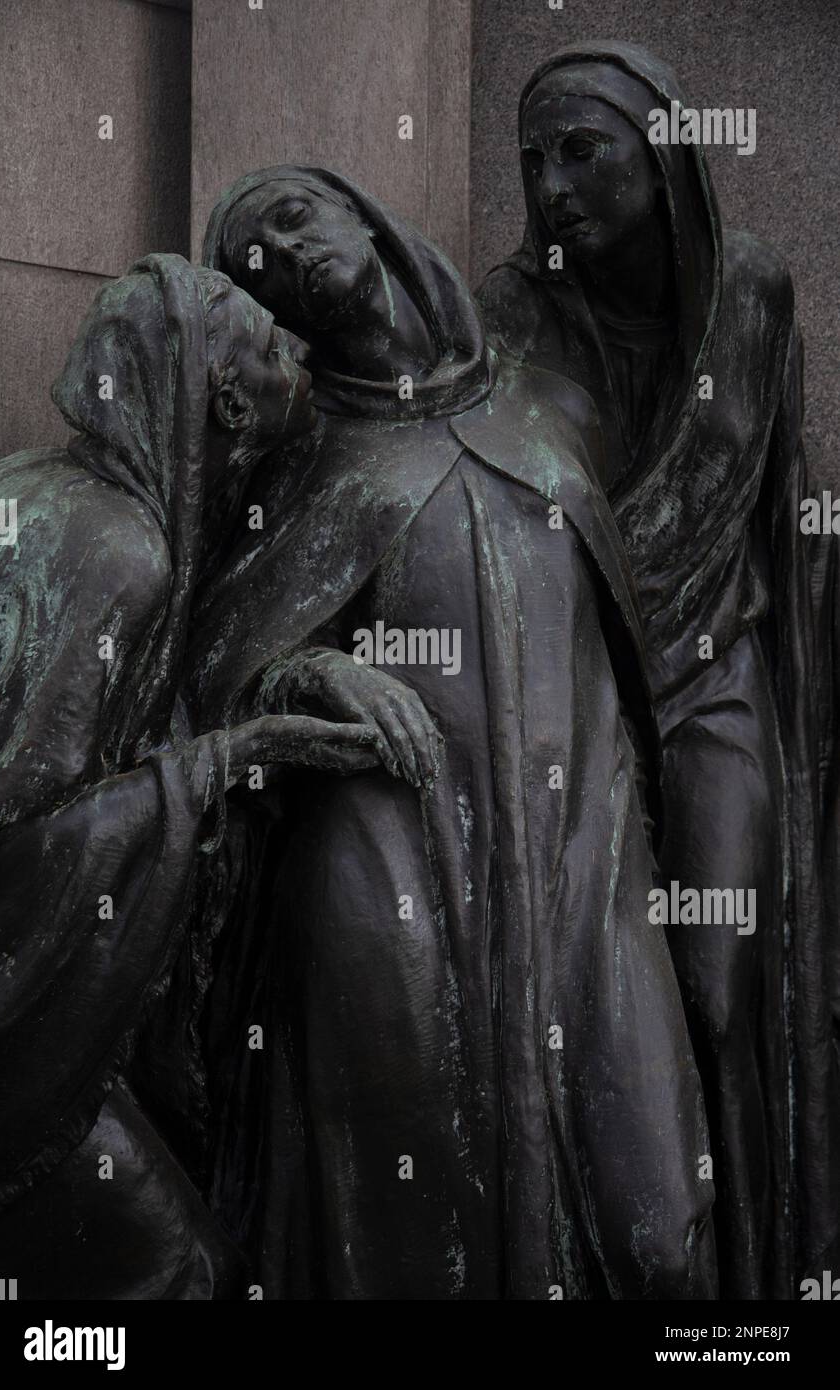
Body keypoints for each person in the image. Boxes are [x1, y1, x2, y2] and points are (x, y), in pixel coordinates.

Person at [192, 166, 717, 1300]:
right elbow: (216, 667)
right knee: (416, 1234)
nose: (283, 255)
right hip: (396, 879)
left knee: (661, 1232)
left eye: (291, 218)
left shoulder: (548, 403)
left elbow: (661, 595)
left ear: (360, 209)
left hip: (587, 859)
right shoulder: (299, 461)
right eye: (253, 262)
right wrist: (311, 665)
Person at [477, 40, 840, 1298]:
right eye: (532, 160)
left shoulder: (752, 296)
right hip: (575, 693)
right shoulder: (508, 317)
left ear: (663, 151)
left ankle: (746, 1276)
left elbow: (785, 502)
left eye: (582, 149)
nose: (551, 184)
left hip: (715, 678)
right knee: (591, 992)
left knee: (719, 979)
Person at [0, 253, 379, 1299]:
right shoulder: (122, 549)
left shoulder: (23, 484)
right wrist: (224, 762)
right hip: (7, 1031)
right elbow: (18, 839)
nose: (299, 357)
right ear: (228, 397)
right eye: (273, 345)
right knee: (184, 1271)